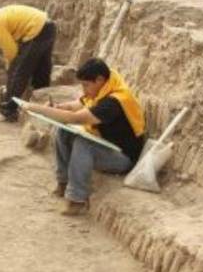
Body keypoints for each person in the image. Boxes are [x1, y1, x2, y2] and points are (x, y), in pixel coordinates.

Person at [20, 58, 146, 215]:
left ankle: (76, 199)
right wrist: (57, 107)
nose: (84, 90)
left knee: (83, 144)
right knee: (62, 131)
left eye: (86, 85)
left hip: (123, 158)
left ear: (99, 80)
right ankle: (63, 182)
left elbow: (75, 118)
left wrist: (37, 109)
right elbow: (76, 105)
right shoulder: (105, 87)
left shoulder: (113, 102)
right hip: (107, 145)